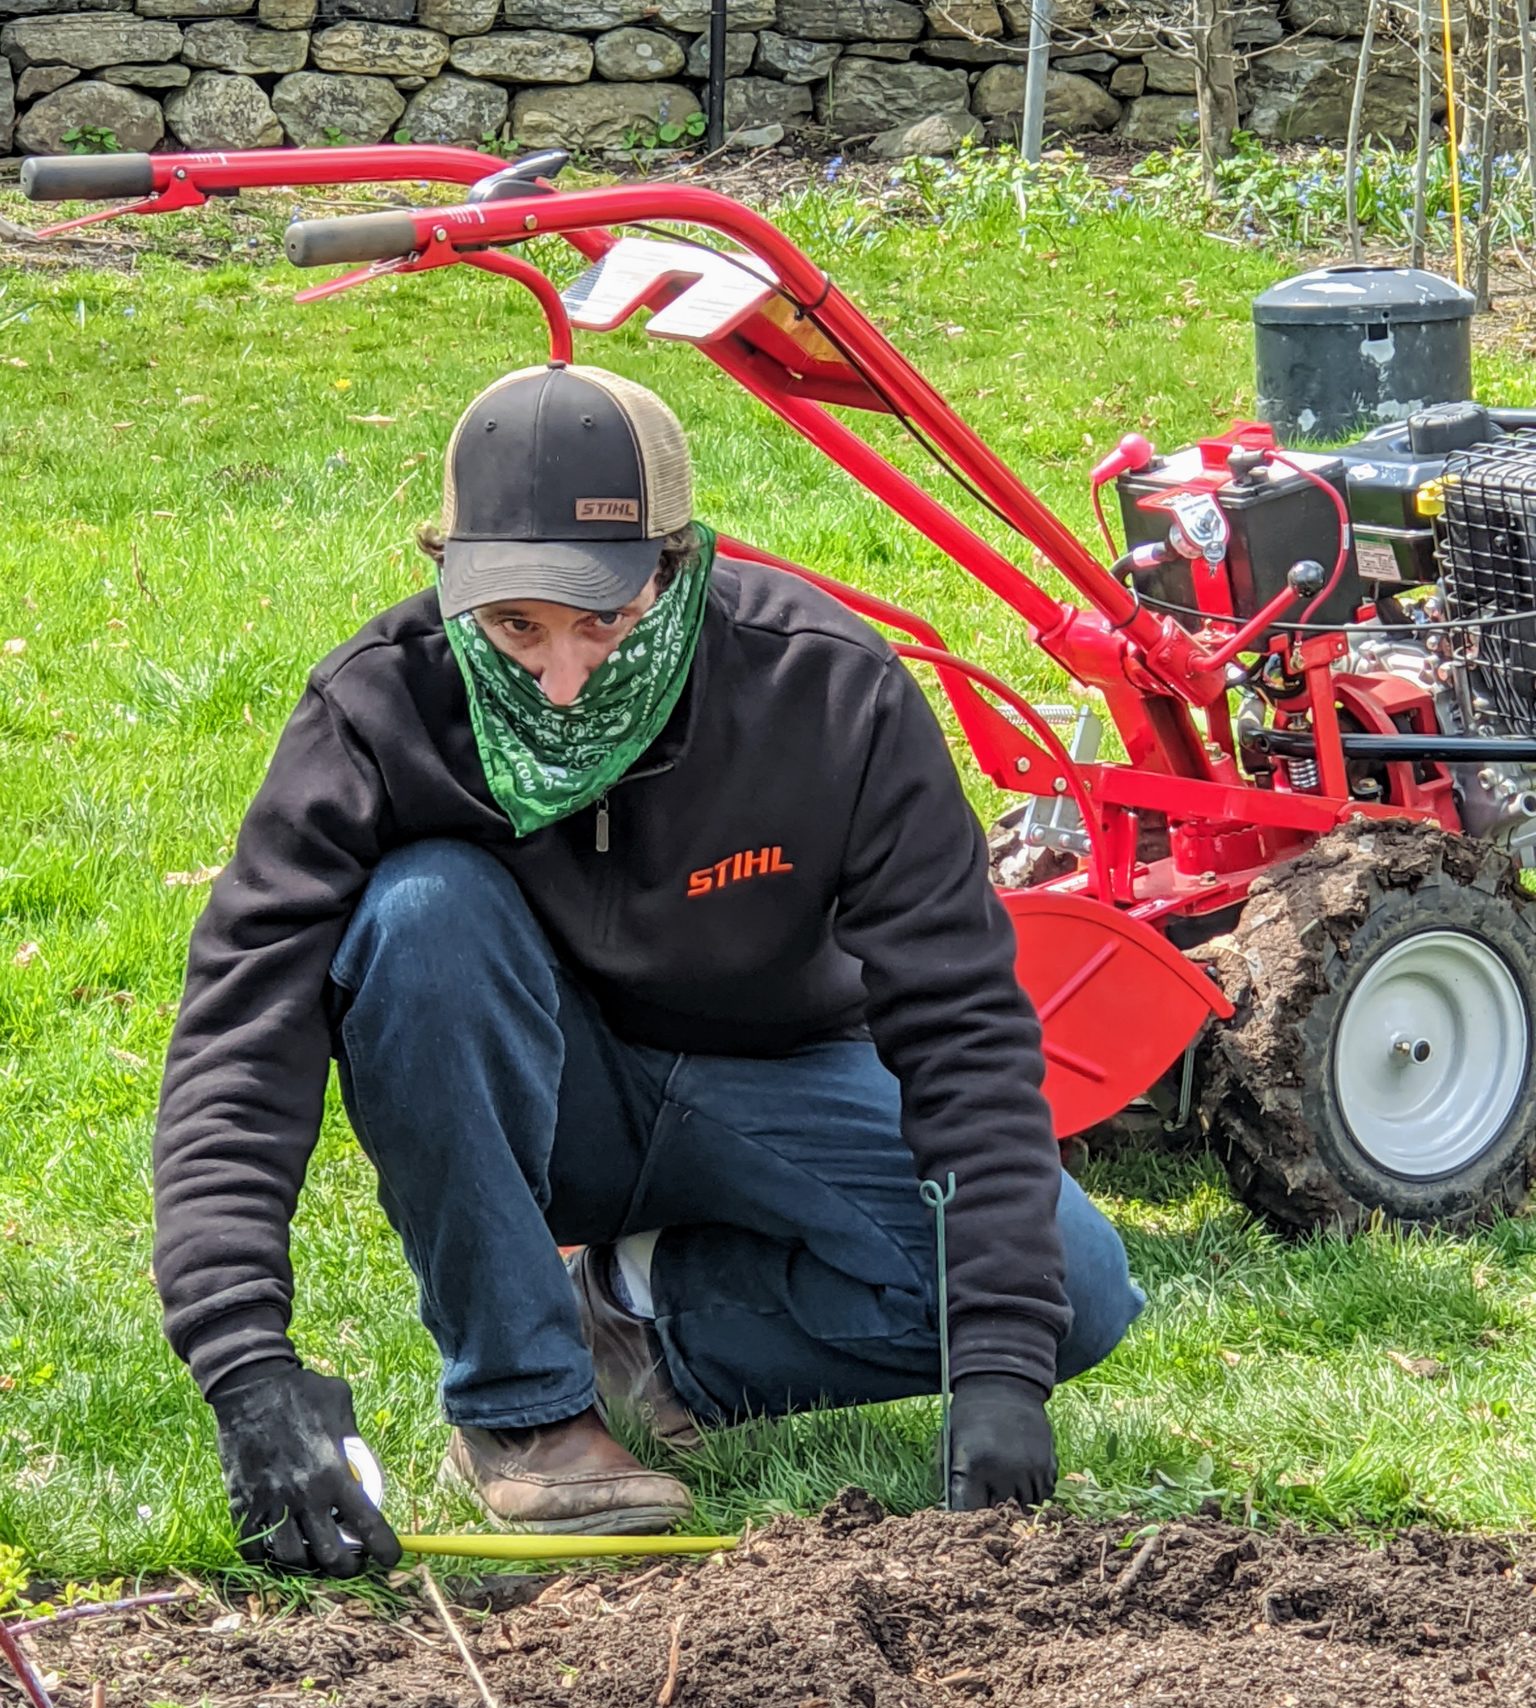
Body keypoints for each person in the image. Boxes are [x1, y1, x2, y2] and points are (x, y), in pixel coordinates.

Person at [151, 361, 1144, 1578]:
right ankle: (521, 1411)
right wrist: (246, 1370)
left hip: (778, 1078)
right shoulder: (380, 707)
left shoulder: (830, 693)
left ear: (677, 567)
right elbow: (239, 1040)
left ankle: (635, 1318)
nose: (561, 677)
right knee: (422, 913)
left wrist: (995, 1366)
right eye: (516, 626)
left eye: (601, 621)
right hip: (548, 1095)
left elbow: (963, 1024)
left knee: (1075, 1292)